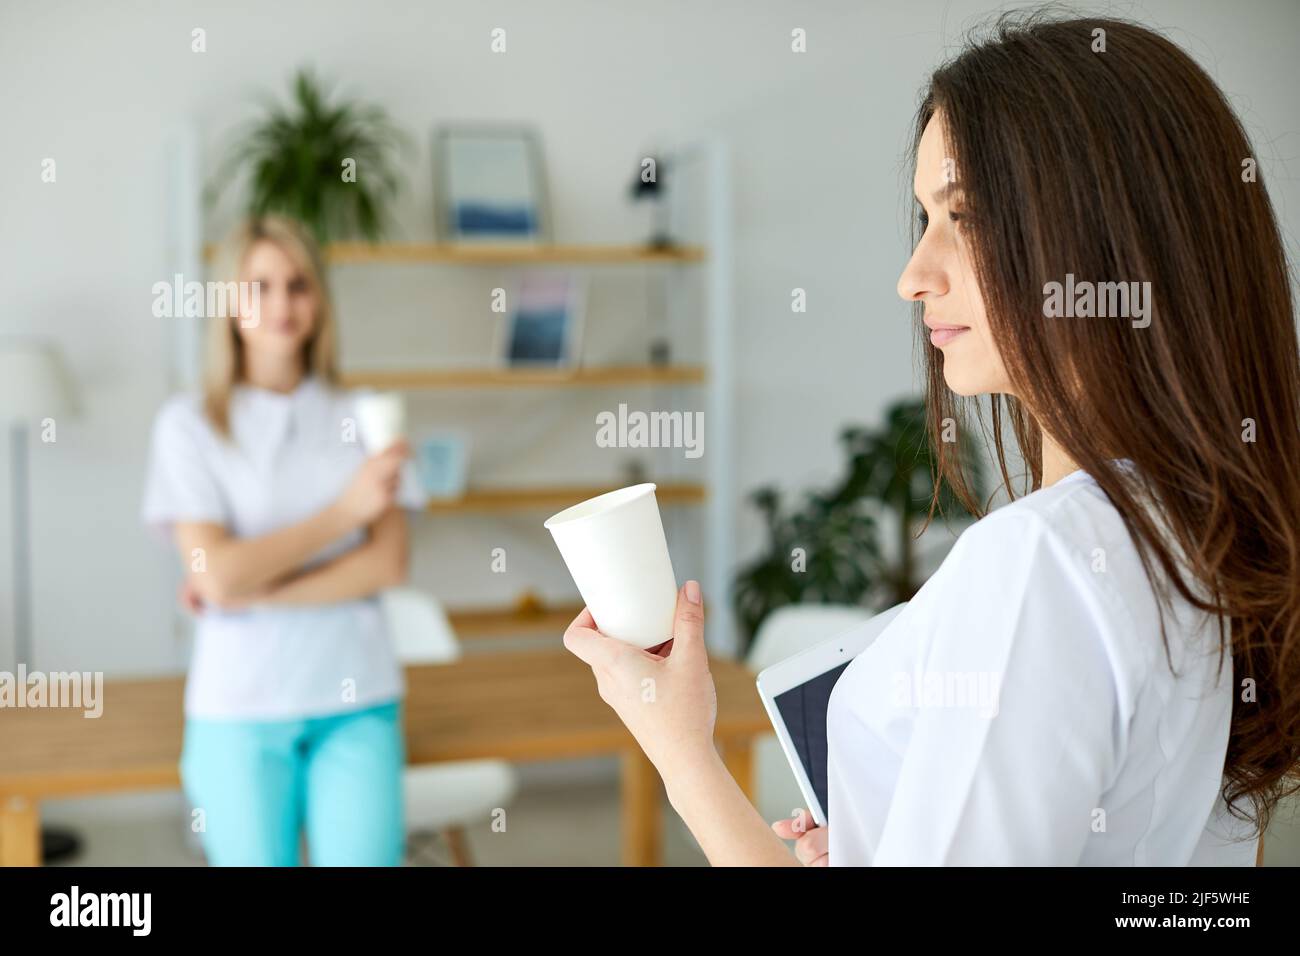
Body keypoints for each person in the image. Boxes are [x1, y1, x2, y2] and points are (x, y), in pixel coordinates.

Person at [563, 14, 1300, 865]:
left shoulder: (1040, 566)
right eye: (925, 218)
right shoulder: (1194, 534)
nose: (914, 275)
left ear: (1108, 243)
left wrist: (679, 747)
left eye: (969, 217)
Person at [142, 216, 422, 866]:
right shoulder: (188, 425)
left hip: (357, 700)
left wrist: (251, 589)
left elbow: (387, 563)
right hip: (239, 708)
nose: (281, 304)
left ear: (319, 299)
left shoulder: (366, 416)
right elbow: (216, 575)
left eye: (298, 285)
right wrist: (345, 511)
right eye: (258, 285)